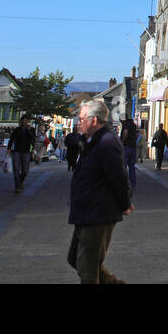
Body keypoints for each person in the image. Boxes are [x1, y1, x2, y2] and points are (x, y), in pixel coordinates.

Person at [67, 100, 133, 284]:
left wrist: (125, 203)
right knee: (75, 259)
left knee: (88, 270)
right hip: (86, 211)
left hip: (97, 213)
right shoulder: (92, 141)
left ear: (93, 120)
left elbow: (119, 178)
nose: (78, 122)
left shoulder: (107, 143)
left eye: (81, 119)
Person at [7, 115, 35, 193]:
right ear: (21, 121)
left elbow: (33, 138)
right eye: (23, 120)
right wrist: (9, 148)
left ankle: (20, 181)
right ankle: (17, 187)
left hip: (26, 152)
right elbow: (11, 139)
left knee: (25, 170)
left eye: (26, 120)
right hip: (17, 151)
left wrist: (28, 130)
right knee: (16, 169)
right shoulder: (17, 130)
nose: (24, 122)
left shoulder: (31, 129)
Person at [120, 117, 139, 189]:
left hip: (126, 147)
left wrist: (122, 141)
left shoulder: (126, 125)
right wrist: (134, 140)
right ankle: (133, 183)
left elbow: (125, 132)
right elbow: (137, 134)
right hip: (133, 148)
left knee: (123, 166)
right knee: (132, 167)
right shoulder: (134, 125)